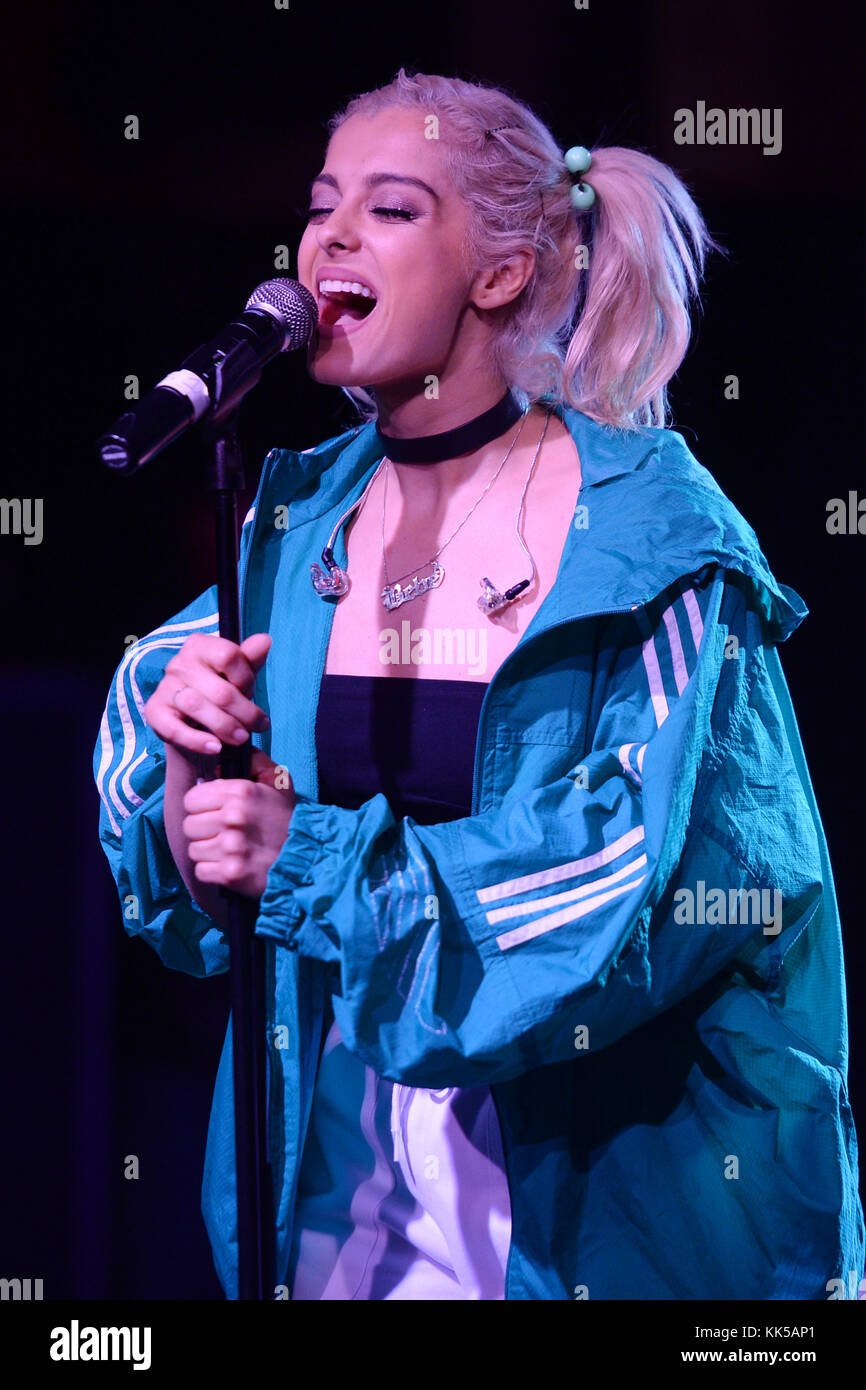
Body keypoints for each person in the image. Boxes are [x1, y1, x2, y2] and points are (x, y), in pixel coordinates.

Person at [94, 68, 865, 1301]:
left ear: (499, 274)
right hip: (342, 1223)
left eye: (392, 210)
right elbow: (198, 891)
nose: (329, 237)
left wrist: (303, 856)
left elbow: (612, 886)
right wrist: (197, 775)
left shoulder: (652, 540)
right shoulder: (298, 523)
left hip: (608, 1222)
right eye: (321, 203)